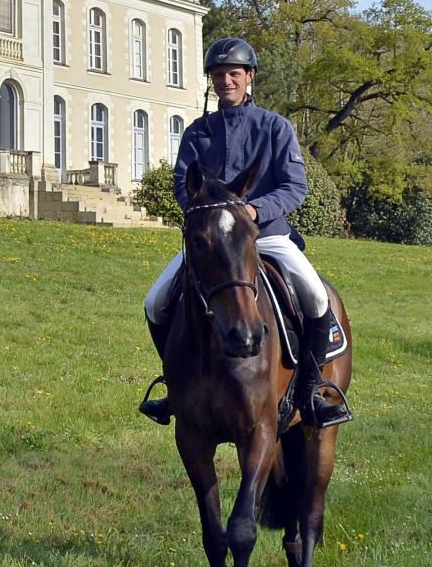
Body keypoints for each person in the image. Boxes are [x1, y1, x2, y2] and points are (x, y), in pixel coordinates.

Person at [139, 37, 353, 428]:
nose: (226, 81)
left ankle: (310, 390)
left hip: (265, 234)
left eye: (233, 74)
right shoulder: (197, 133)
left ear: (249, 76)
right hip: (214, 243)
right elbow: (181, 186)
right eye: (218, 75)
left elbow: (294, 187)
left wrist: (253, 211)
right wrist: (207, 220)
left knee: (317, 298)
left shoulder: (276, 127)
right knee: (155, 302)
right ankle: (175, 386)